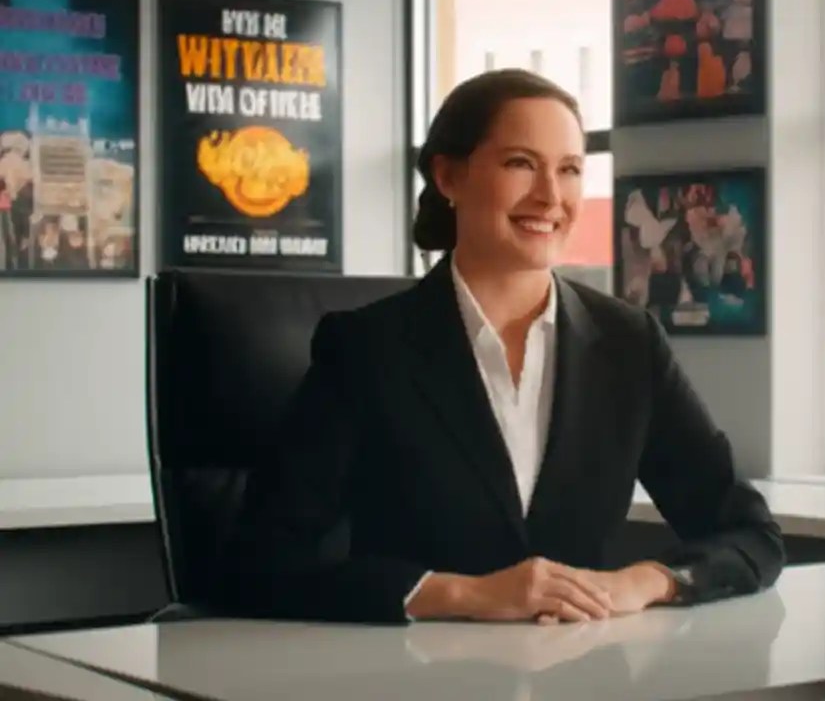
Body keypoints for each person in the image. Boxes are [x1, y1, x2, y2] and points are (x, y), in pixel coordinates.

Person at [226, 69, 784, 625]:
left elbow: (750, 534)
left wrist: (639, 584)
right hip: (413, 678)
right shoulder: (365, 349)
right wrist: (463, 595)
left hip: (579, 677)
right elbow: (261, 561)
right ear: (449, 175)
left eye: (569, 170)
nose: (550, 196)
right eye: (521, 163)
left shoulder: (628, 345)